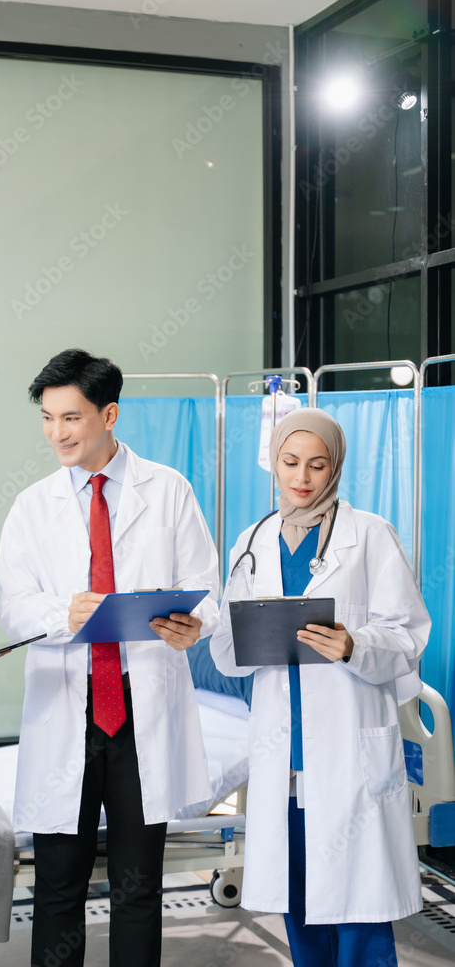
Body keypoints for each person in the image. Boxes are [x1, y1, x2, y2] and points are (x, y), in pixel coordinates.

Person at [0, 349, 219, 967]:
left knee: (139, 885)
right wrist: (60, 614)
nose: (57, 433)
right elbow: (14, 606)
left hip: (142, 709)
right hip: (67, 705)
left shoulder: (168, 490)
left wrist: (193, 627)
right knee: (58, 885)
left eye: (71, 417)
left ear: (109, 413)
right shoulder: (32, 507)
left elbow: (209, 590)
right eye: (48, 418)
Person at [211, 407, 430, 967]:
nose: (301, 477)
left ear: (334, 468)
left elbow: (408, 634)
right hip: (283, 753)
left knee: (359, 901)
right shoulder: (253, 539)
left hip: (348, 748)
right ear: (274, 464)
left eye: (316, 464)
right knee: (300, 893)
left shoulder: (370, 535)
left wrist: (354, 645)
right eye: (289, 462)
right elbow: (228, 652)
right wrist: (225, 632)